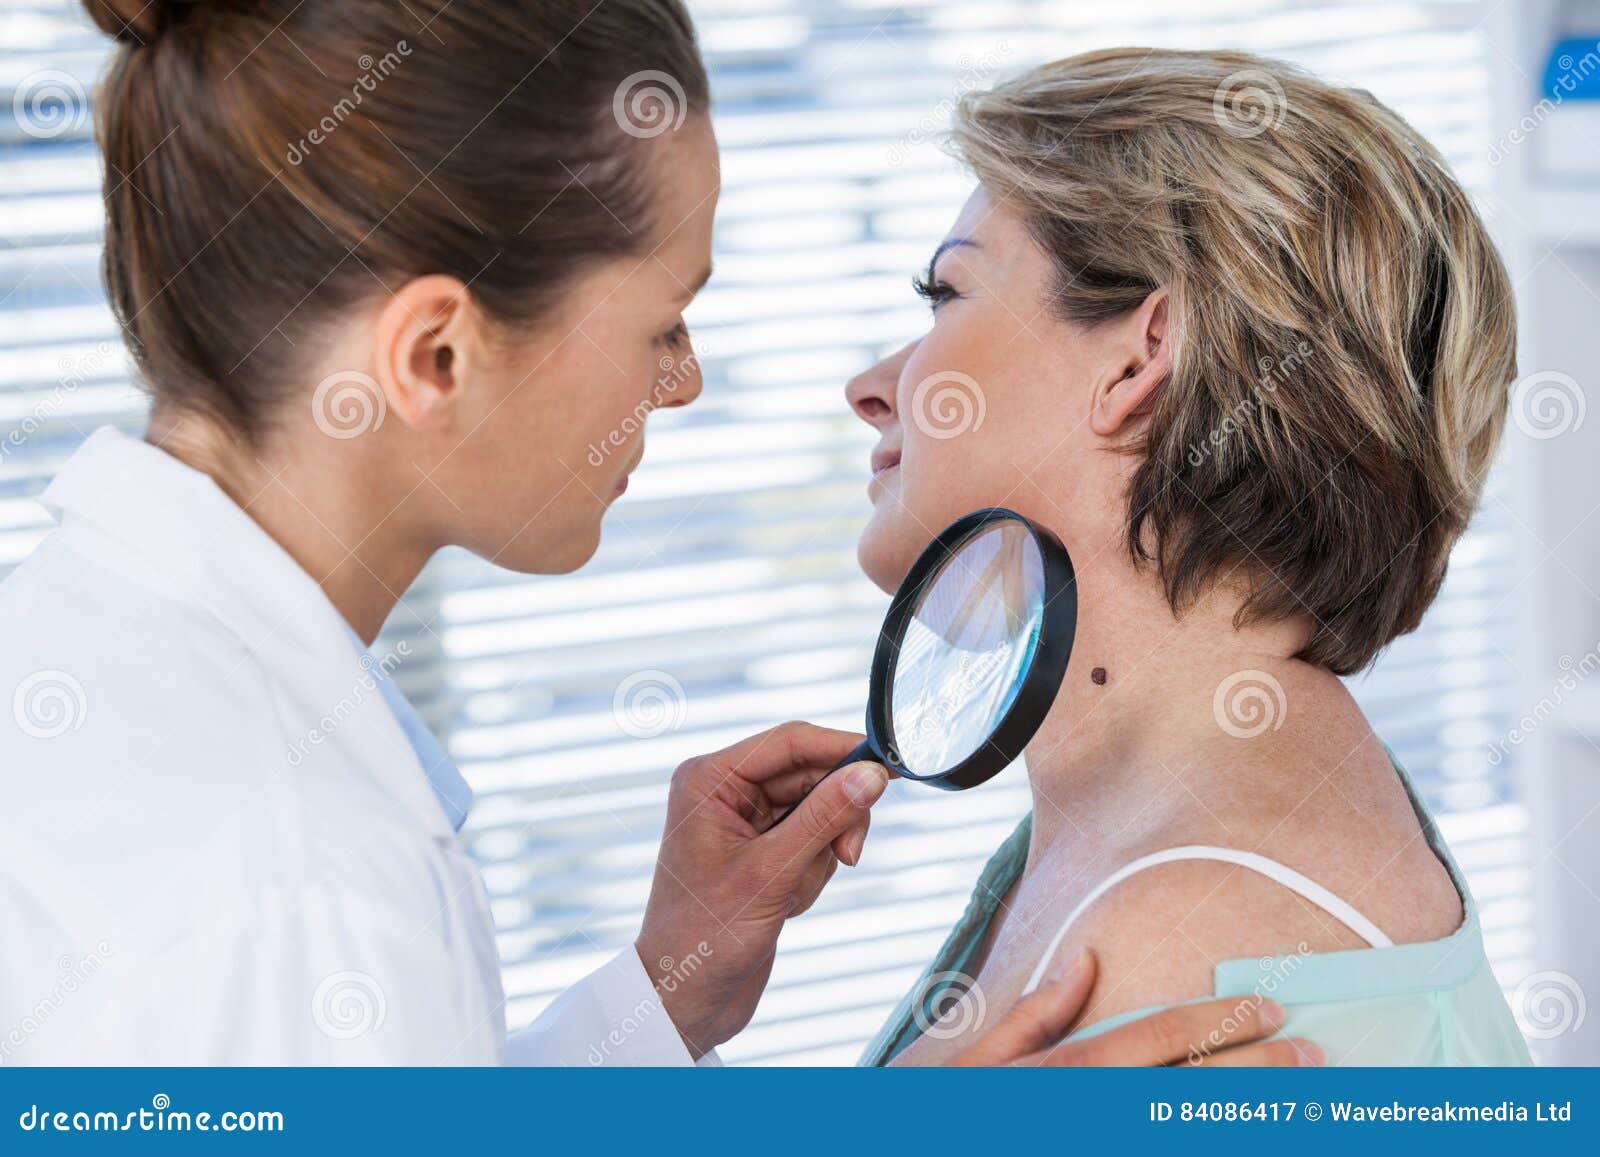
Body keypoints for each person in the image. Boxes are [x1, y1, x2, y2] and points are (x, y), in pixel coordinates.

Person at [0, 3, 1306, 1067]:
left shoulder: (94, 664)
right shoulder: (291, 897)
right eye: (662, 323)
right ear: (437, 354)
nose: (681, 384)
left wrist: (656, 996)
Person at [848, 48, 1533, 1067]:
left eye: (946, 292)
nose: (871, 385)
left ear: (1140, 356)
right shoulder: (1179, 807)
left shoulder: (1159, 952)